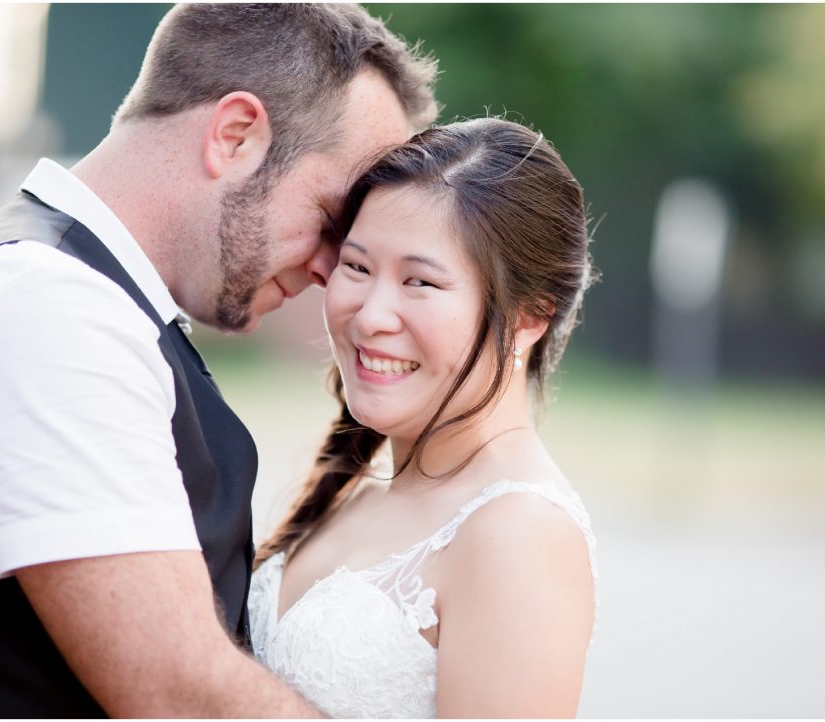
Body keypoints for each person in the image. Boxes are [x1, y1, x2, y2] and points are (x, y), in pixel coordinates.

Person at [0, 4, 437, 717]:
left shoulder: (86, 299)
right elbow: (183, 695)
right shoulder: (43, 306)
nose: (335, 268)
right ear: (236, 136)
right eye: (332, 218)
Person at [248, 118, 599, 718]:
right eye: (357, 268)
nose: (370, 316)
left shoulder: (519, 531)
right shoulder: (361, 486)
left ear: (528, 318)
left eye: (420, 281)